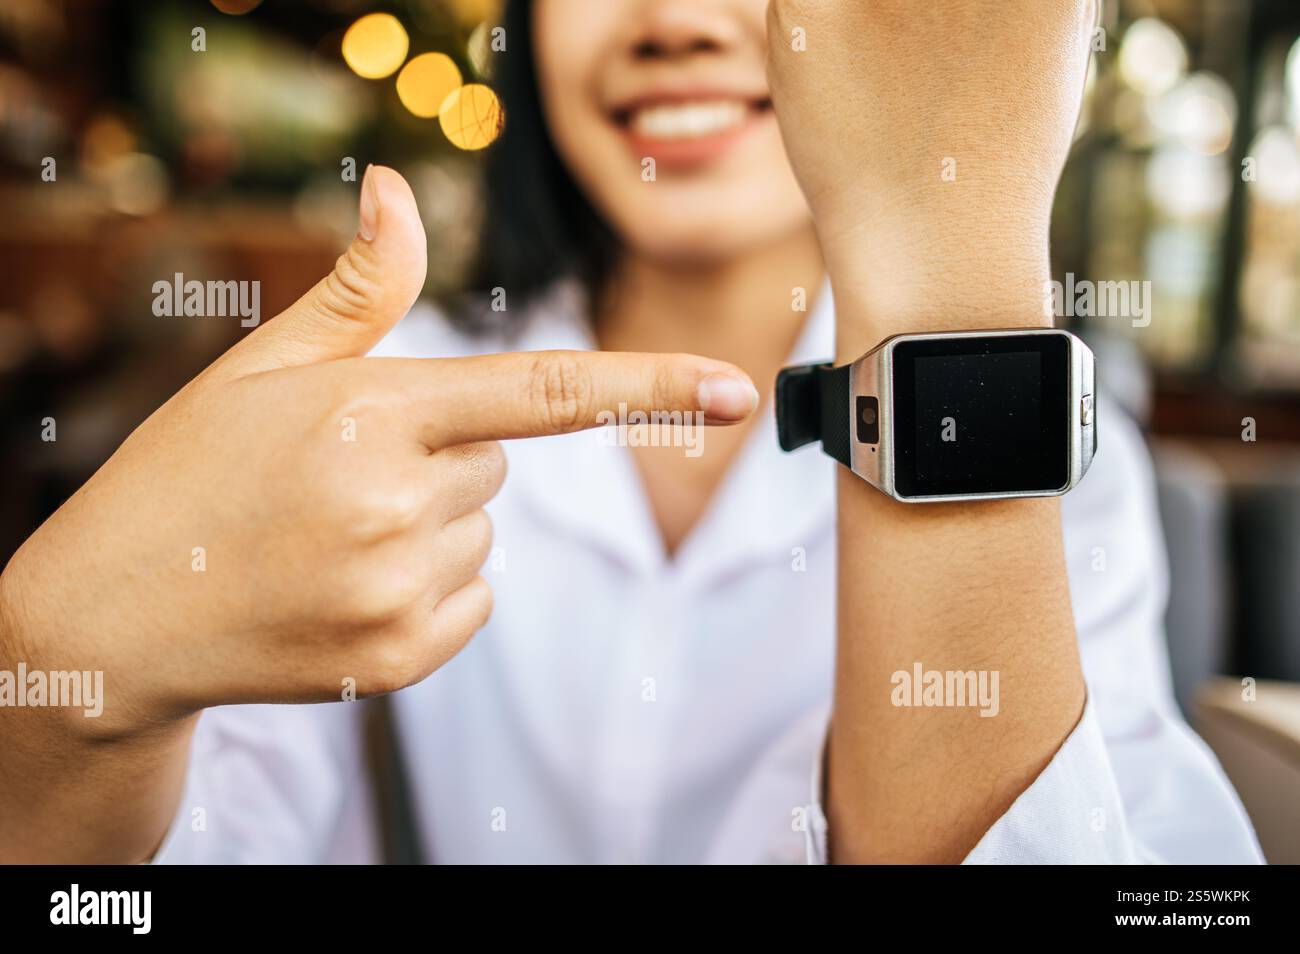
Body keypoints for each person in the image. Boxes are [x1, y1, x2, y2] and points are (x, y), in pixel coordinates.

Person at [0, 0, 1262, 864]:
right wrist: (66, 697)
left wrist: (941, 244)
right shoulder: (380, 392)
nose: (664, 20)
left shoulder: (1064, 465)